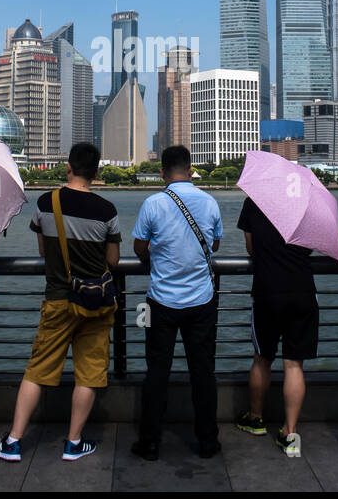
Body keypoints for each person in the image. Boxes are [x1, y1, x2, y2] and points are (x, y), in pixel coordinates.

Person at [0, 142, 120, 463]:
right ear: (96, 172)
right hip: (96, 303)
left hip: (57, 299)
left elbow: (42, 250)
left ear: (68, 167)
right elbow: (114, 260)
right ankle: (73, 442)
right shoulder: (107, 211)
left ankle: (13, 441)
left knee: (37, 371)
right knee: (89, 374)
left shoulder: (45, 202)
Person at [131, 145, 223, 461]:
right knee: (203, 371)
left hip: (160, 301)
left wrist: (154, 256)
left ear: (162, 173)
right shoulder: (210, 202)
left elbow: (139, 247)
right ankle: (208, 441)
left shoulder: (153, 203)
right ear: (190, 170)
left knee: (157, 370)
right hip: (201, 300)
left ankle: (150, 442)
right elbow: (215, 243)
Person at [234, 196, 317, 458]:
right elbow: (310, 247)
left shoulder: (254, 201)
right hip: (303, 291)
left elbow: (250, 249)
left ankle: (256, 418)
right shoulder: (307, 204)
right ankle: (290, 432)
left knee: (262, 359)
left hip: (267, 291)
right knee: (294, 364)